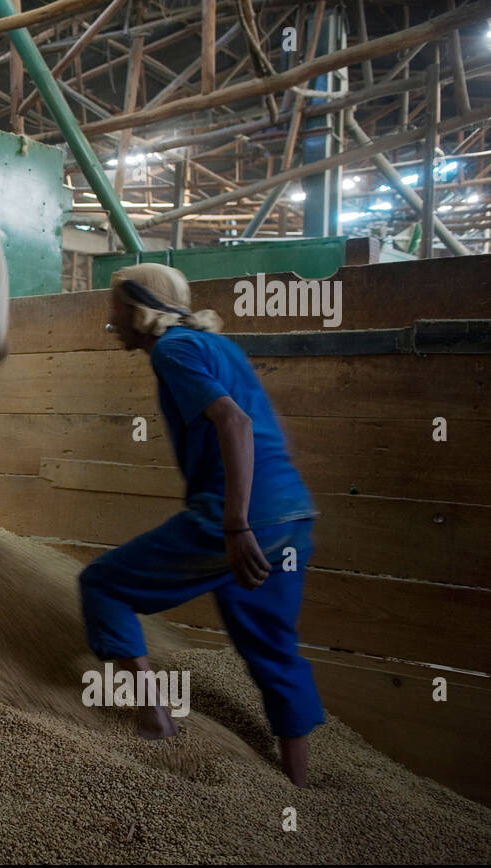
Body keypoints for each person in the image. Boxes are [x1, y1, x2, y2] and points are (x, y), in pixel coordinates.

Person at [78, 263, 323, 787]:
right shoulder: (218, 346)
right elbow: (273, 430)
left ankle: (156, 720)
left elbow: (234, 421)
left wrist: (236, 524)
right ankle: (300, 784)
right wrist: (273, 507)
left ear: (140, 309)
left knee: (102, 584)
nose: (110, 322)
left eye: (115, 309)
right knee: (274, 647)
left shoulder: (173, 350)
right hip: (292, 513)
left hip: (241, 518)